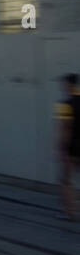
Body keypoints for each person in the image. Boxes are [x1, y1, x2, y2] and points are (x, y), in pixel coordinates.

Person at [56, 73, 80, 222]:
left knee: (65, 180)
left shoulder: (64, 104)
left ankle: (70, 212)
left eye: (64, 84)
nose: (62, 87)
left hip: (72, 148)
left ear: (69, 85)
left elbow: (65, 128)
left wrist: (61, 149)